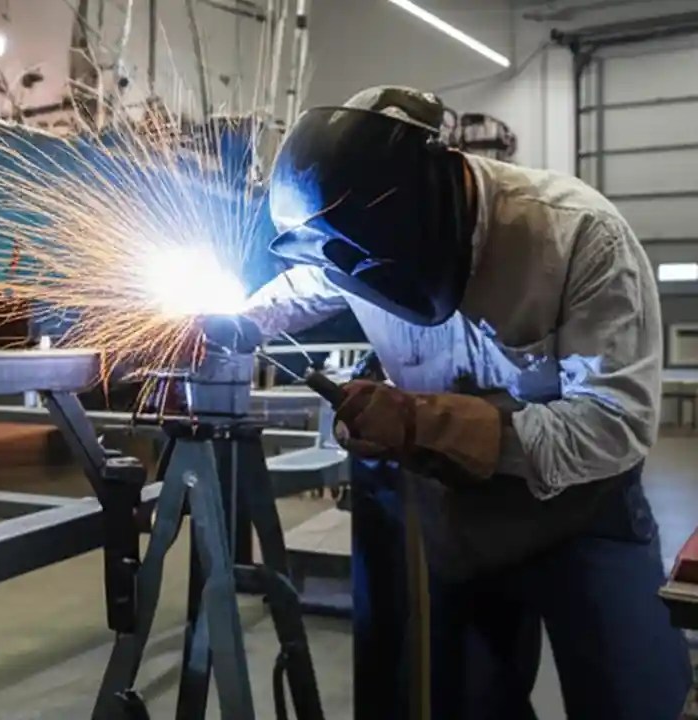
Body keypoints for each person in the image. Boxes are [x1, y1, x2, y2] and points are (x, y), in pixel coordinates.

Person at [246, 86, 692, 719]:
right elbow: (303, 285)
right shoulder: (354, 234)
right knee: (449, 702)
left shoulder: (577, 236)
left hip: (579, 507)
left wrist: (421, 419)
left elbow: (613, 426)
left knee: (634, 699)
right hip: (445, 512)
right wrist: (231, 322)